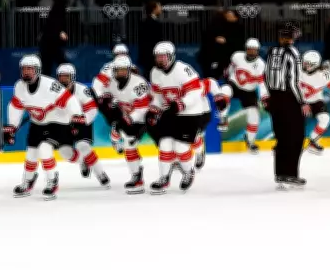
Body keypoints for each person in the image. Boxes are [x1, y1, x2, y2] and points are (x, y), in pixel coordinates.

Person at [3, 55, 84, 200]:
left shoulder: (50, 85)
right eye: (24, 69)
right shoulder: (19, 86)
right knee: (31, 153)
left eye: (30, 69)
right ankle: (28, 181)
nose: (26, 72)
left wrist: (77, 115)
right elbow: (16, 107)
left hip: (58, 122)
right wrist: (12, 126)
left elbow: (69, 99)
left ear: (38, 70)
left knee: (44, 149)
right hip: (38, 123)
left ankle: (52, 181)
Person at [148, 41, 211, 194]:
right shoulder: (155, 73)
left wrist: (181, 104)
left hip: (190, 113)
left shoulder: (183, 70)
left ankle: (189, 172)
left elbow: (195, 93)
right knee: (164, 144)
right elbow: (158, 96)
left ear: (171, 57)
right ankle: (164, 177)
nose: (160, 60)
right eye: (158, 57)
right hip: (171, 112)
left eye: (163, 57)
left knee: (181, 147)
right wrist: (154, 108)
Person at [264, 22, 307, 189]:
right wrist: (301, 101)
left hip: (275, 98)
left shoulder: (271, 51)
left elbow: (266, 76)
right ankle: (291, 174)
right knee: (295, 137)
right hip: (290, 99)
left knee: (281, 137)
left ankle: (280, 173)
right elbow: (294, 81)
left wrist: (271, 97)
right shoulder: (293, 53)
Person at [55, 63, 110, 188]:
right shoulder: (53, 91)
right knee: (64, 152)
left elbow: (92, 109)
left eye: (66, 77)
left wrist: (83, 119)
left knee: (83, 146)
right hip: (63, 125)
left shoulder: (82, 90)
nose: (63, 80)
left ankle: (100, 173)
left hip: (81, 123)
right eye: (61, 77)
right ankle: (83, 161)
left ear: (73, 77)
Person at [106, 56, 151, 194]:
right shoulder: (111, 83)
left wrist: (129, 118)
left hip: (143, 118)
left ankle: (138, 178)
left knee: (129, 143)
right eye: (118, 70)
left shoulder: (139, 83)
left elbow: (143, 109)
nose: (121, 73)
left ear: (129, 70)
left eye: (124, 70)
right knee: (126, 143)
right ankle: (136, 174)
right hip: (126, 118)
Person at [218, 38, 268, 153]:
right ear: (246, 49)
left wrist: (264, 96)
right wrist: (226, 76)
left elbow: (262, 84)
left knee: (254, 117)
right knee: (224, 90)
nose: (252, 52)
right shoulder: (237, 56)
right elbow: (230, 69)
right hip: (234, 84)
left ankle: (250, 141)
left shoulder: (261, 65)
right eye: (250, 49)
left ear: (258, 51)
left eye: (254, 50)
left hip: (249, 91)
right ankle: (223, 118)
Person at [92, 44, 137, 152]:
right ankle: (115, 137)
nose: (121, 56)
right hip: (110, 100)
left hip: (126, 100)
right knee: (118, 120)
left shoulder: (133, 68)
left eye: (123, 53)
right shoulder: (107, 68)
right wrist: (102, 97)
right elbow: (96, 85)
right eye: (118, 54)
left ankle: (120, 136)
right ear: (114, 55)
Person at [298, 51, 330, 155]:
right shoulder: (296, 70)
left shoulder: (324, 75)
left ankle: (313, 142)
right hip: (298, 101)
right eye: (304, 62)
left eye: (308, 64)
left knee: (325, 119)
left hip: (316, 101)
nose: (304, 65)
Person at [37, 0, 68, 77]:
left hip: (49, 46)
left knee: (48, 67)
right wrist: (59, 33)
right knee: (58, 65)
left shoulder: (53, 16)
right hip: (49, 46)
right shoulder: (58, 16)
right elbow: (52, 30)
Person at [137, 1, 163, 73]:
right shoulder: (152, 23)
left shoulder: (145, 22)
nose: (161, 9)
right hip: (151, 57)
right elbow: (151, 41)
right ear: (154, 9)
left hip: (149, 57)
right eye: (159, 7)